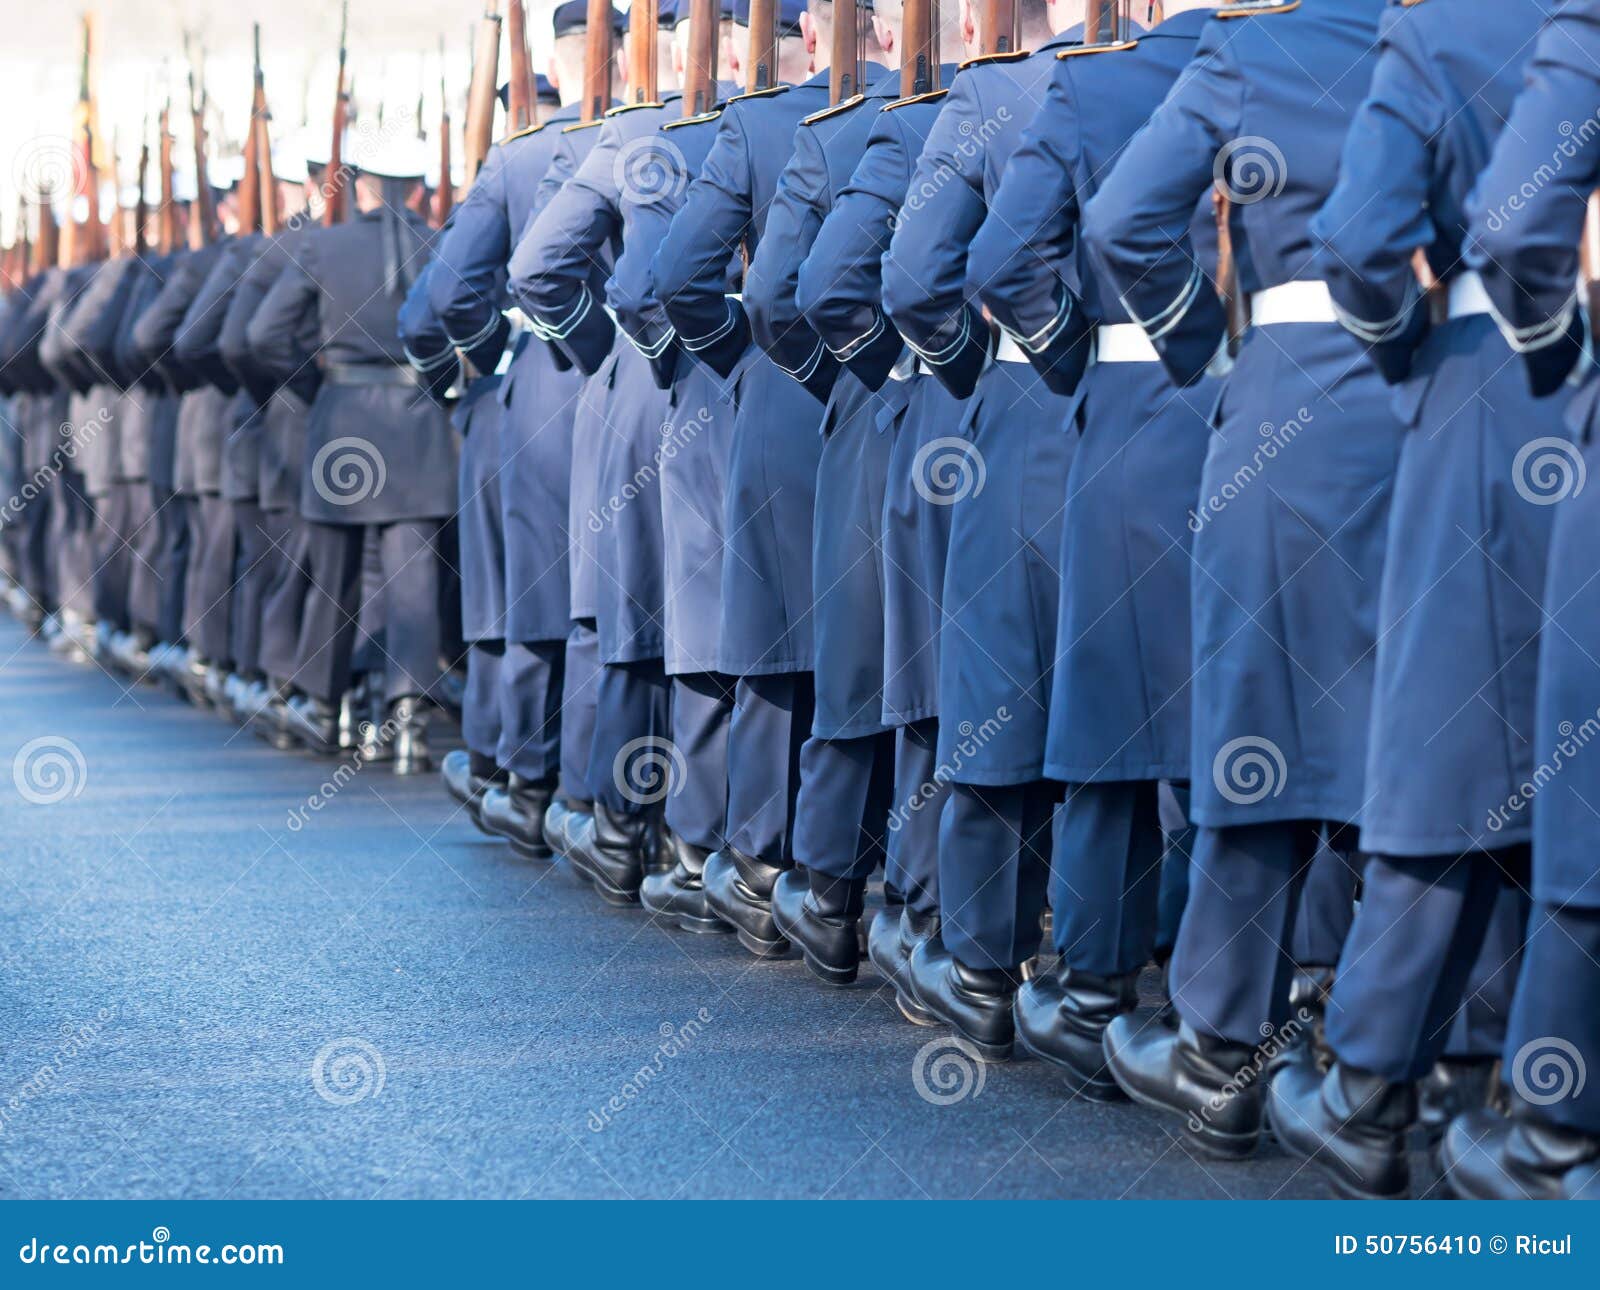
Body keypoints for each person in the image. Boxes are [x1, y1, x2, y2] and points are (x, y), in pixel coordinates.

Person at [1267, 0, 1575, 1200]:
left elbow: (1359, 237)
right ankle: (1507, 1075)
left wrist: (1424, 355)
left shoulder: (1436, 25)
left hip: (1494, 394)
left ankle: (1378, 1083)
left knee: (1446, 749)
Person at [1082, 0, 1398, 1160]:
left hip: (1292, 404)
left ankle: (1222, 1049)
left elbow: (1124, 216)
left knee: (1256, 724)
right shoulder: (1473, 36)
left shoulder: (1251, 49)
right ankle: (1434, 1052)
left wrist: (1193, 338)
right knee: (1422, 735)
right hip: (1441, 408)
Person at [967, 0, 1220, 1089]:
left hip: (1132, 418)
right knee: (1269, 711)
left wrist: (1084, 362)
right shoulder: (1340, 53)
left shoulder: (1094, 83)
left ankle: (1095, 992)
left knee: (1117, 732)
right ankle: (1266, 994)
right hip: (1301, 406)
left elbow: (1000, 266)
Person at [651, 0, 834, 956]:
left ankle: (764, 863)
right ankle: (862, 867)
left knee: (770, 641)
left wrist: (745, 352)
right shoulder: (944, 104)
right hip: (905, 398)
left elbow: (677, 278)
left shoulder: (757, 123)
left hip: (781, 394)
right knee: (874, 630)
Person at [248, 137, 454, 774]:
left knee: (331, 573)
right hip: (417, 416)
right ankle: (410, 717)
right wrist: (435, 382)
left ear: (361, 186)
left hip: (342, 420)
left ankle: (322, 703)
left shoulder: (321, 244)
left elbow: (263, 335)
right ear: (418, 188)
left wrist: (321, 386)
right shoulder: (440, 242)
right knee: (413, 575)